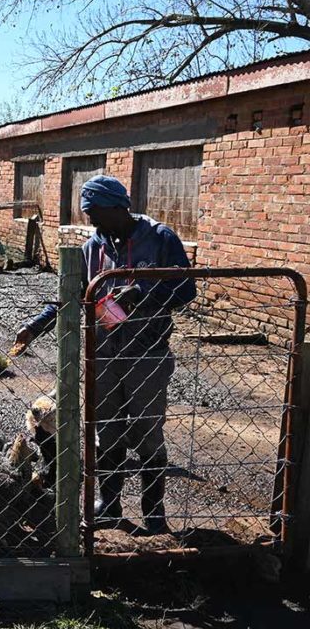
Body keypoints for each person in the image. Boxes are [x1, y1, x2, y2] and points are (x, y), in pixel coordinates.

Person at [12, 175, 195, 535]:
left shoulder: (159, 238)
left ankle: (153, 512)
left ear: (118, 206)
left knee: (146, 431)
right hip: (103, 355)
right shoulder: (92, 246)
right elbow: (70, 296)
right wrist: (34, 327)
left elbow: (186, 289)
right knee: (105, 432)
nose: (91, 221)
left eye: (95, 213)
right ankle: (109, 504)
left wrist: (142, 294)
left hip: (147, 353)